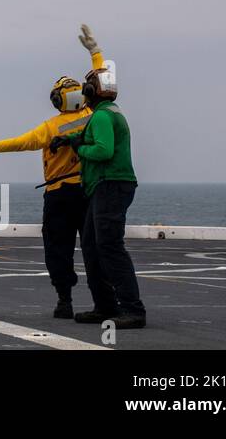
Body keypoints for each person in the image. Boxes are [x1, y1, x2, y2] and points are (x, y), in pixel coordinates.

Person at [0, 25, 105, 318]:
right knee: (94, 248)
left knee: (57, 248)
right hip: (90, 191)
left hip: (59, 194)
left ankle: (64, 299)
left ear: (57, 100)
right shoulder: (93, 115)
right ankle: (103, 301)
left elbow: (21, 143)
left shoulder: (51, 127)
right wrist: (94, 52)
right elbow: (100, 80)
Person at [55, 60, 147, 329]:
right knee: (93, 246)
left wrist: (78, 150)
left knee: (110, 247)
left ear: (91, 92)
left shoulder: (103, 116)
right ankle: (105, 306)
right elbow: (96, 141)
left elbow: (103, 151)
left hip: (111, 185)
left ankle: (132, 309)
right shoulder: (110, 112)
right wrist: (75, 140)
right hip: (105, 186)